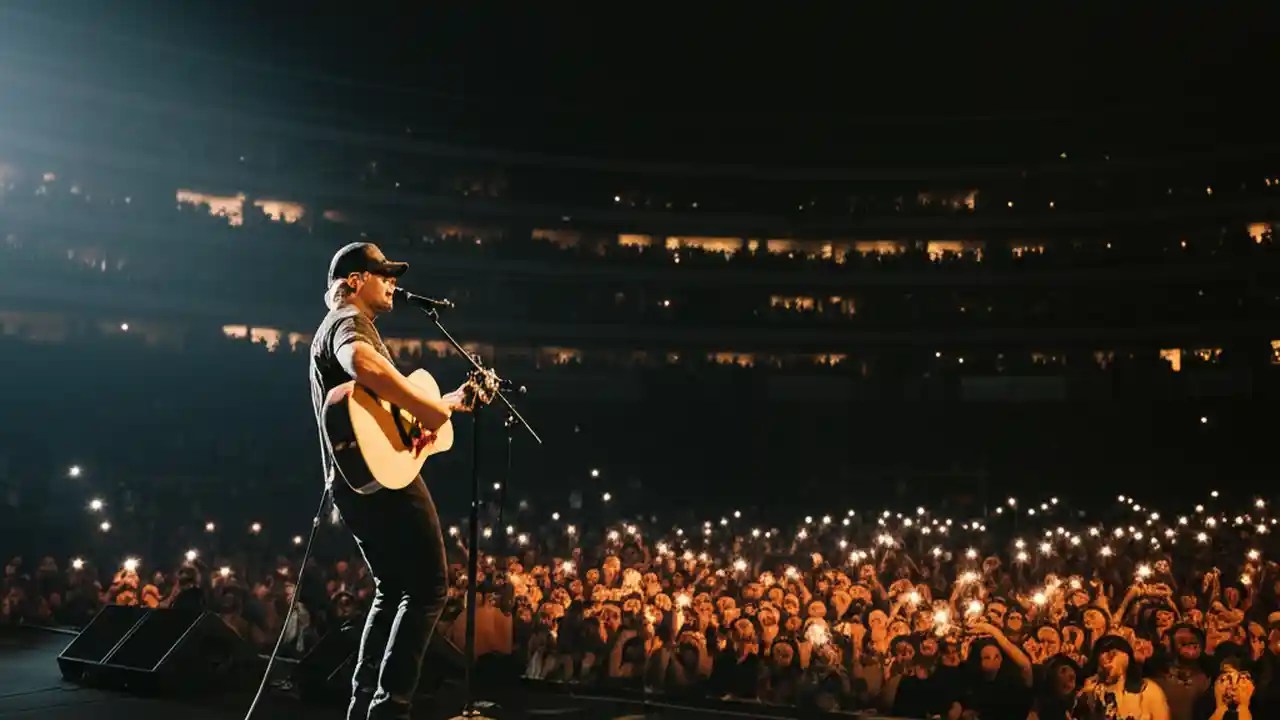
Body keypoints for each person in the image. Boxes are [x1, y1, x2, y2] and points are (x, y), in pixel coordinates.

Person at [310, 242, 475, 720]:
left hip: (353, 481)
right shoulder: (348, 322)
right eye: (383, 274)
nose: (393, 282)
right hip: (381, 483)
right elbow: (361, 364)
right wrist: (427, 408)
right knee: (429, 590)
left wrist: (447, 403)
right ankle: (390, 709)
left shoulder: (344, 325)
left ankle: (364, 707)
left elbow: (392, 420)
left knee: (393, 588)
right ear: (354, 282)